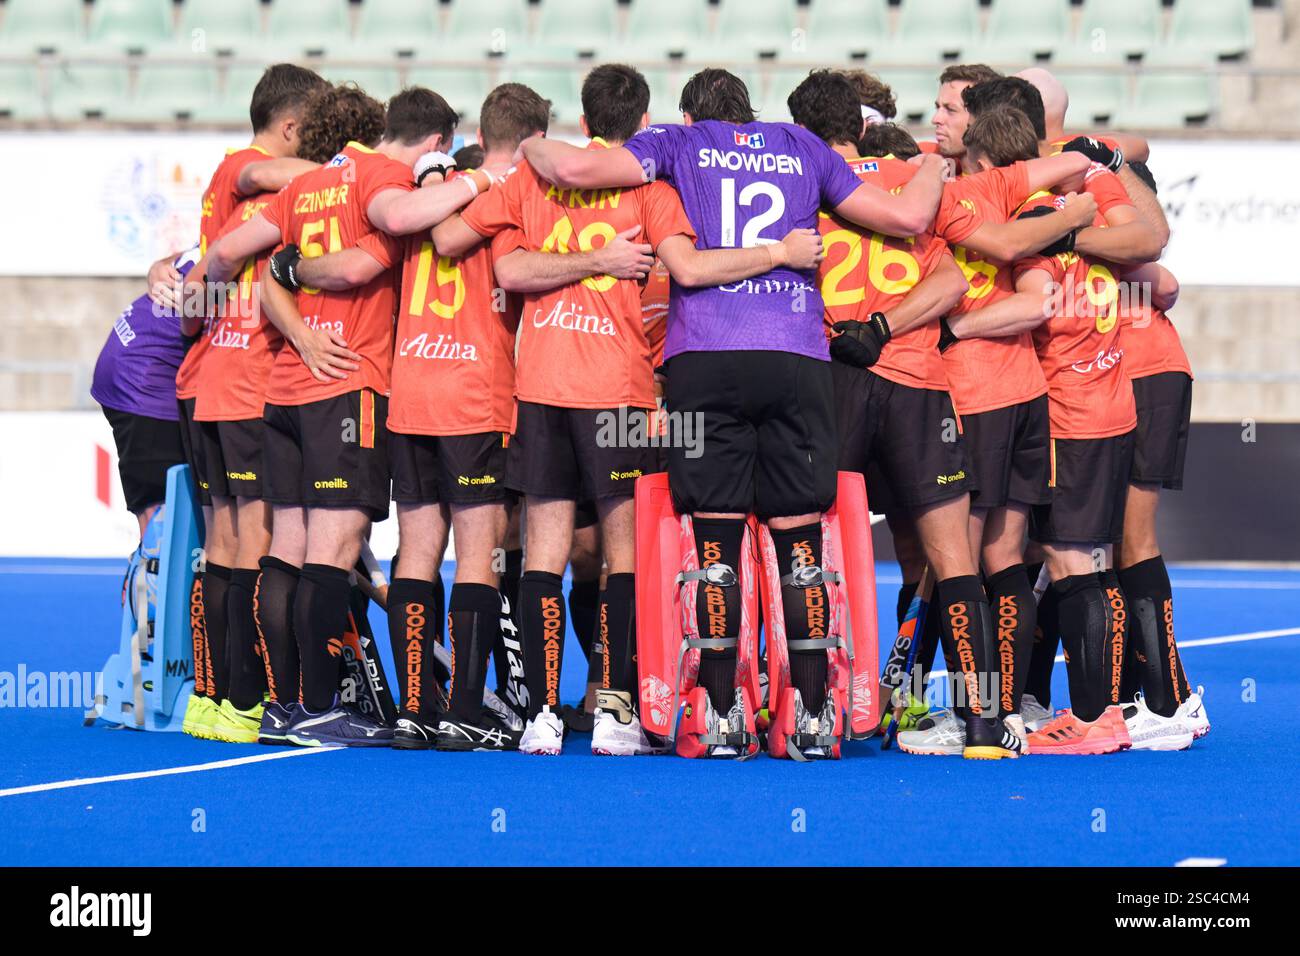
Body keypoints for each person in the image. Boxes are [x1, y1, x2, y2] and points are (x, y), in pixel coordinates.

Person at [518, 67, 947, 759]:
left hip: (705, 356)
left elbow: (571, 164)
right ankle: (809, 714)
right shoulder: (803, 145)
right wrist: (931, 163)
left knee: (713, 537)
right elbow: (906, 218)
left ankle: (720, 715)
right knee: (798, 535)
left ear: (693, 116)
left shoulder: (679, 144)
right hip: (796, 355)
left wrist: (528, 144)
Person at [434, 64, 829, 757]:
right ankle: (603, 711)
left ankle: (545, 714)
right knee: (614, 557)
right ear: (645, 124)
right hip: (616, 394)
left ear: (582, 123)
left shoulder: (534, 178)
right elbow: (688, 267)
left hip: (549, 389)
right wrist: (600, 260)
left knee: (546, 558)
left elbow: (472, 253)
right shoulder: (649, 186)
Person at [202, 86, 483, 746]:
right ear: (434, 144)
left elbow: (241, 255)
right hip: (348, 385)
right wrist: (481, 179)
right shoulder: (383, 177)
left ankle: (281, 706)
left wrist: (297, 332)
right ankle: (320, 707)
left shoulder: (308, 183)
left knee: (288, 550)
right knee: (334, 549)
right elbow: (385, 237)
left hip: (286, 387)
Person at [165, 62, 327, 740]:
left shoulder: (219, 190)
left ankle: (210, 697)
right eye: (314, 139)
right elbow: (263, 175)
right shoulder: (249, 169)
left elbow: (194, 295)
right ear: (289, 127)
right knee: (254, 545)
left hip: (204, 380)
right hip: (246, 380)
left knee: (224, 546)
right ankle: (243, 698)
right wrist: (344, 171)